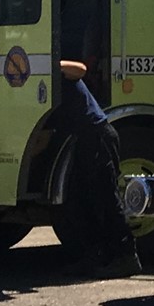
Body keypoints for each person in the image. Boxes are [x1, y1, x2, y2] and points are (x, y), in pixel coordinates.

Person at [54, 60, 141, 278]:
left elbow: (81, 69)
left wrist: (52, 62)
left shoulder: (58, 71)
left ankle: (127, 257)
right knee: (79, 199)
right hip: (81, 138)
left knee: (106, 198)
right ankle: (95, 255)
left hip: (98, 134)